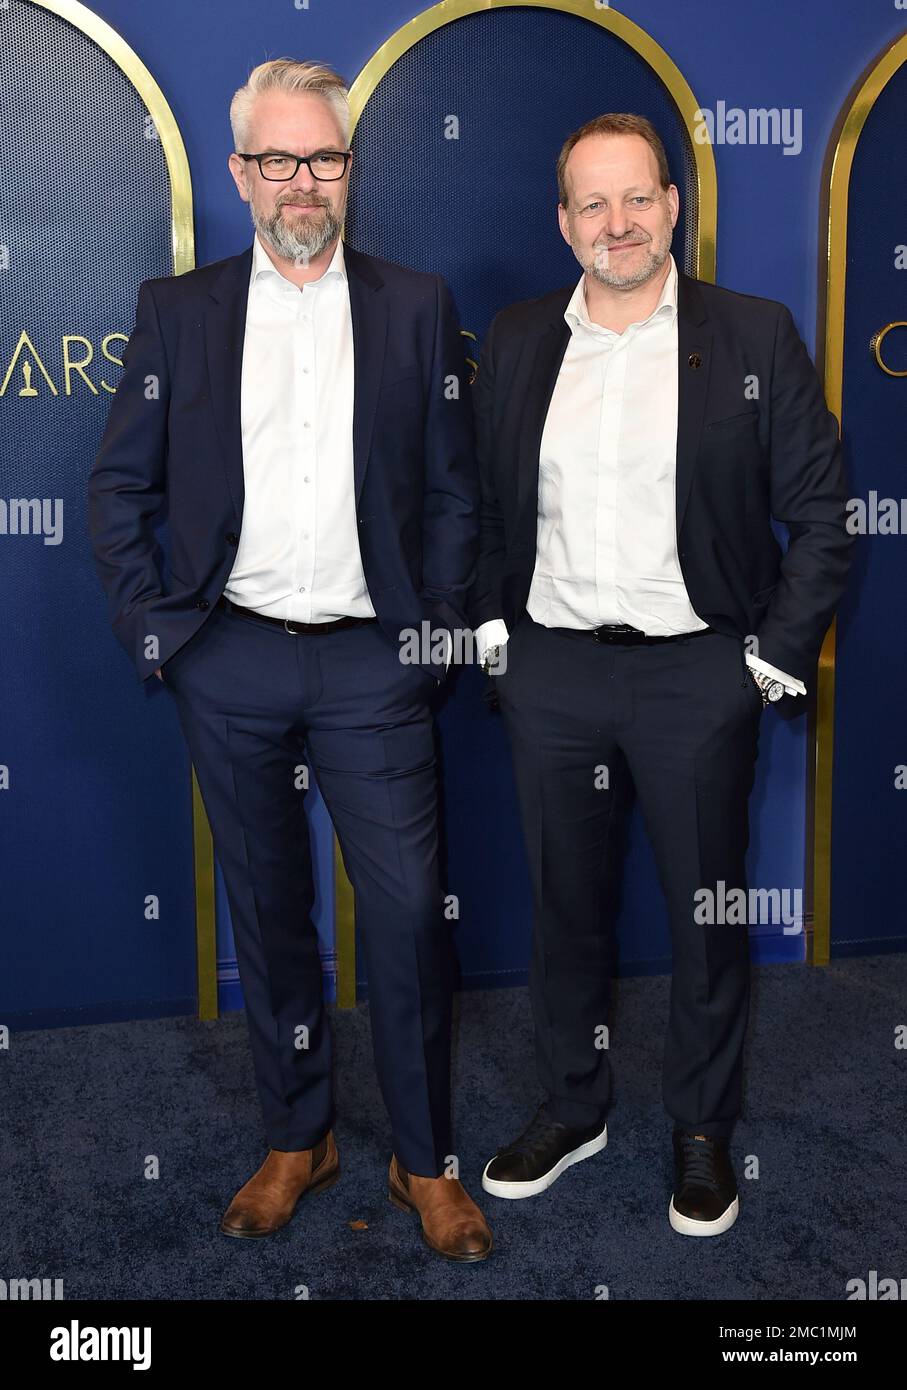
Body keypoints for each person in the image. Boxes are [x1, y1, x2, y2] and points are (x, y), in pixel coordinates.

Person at [88, 58, 491, 1261]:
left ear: (349, 170)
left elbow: (456, 493)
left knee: (414, 914)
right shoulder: (178, 310)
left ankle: (424, 1159)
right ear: (240, 174)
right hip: (233, 658)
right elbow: (119, 489)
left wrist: (433, 635)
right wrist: (167, 638)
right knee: (269, 914)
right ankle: (296, 1134)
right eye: (278, 159)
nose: (301, 181)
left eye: (322, 157)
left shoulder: (417, 304)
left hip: (377, 662)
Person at [469, 113, 853, 1236]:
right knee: (564, 915)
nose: (616, 223)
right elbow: (488, 505)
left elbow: (822, 518)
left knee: (704, 917)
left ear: (671, 206)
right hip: (553, 676)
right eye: (591, 204)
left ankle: (700, 1127)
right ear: (562, 223)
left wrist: (767, 660)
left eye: (636, 198)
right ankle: (573, 1105)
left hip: (699, 678)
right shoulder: (521, 333)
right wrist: (496, 633)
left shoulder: (751, 334)